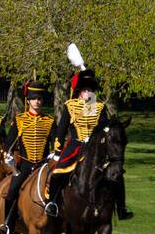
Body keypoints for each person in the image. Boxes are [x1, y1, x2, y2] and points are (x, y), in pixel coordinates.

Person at [53, 64, 132, 220]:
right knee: (57, 172)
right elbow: (61, 130)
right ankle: (53, 203)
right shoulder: (70, 106)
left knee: (117, 175)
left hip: (94, 148)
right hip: (76, 145)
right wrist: (57, 152)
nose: (88, 93)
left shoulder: (99, 106)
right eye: (84, 90)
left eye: (90, 90)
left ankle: (121, 208)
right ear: (79, 91)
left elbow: (103, 125)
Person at [0, 84, 57, 234]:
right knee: (11, 191)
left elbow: (56, 143)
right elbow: (8, 143)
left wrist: (53, 153)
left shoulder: (49, 121)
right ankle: (8, 224)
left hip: (43, 166)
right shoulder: (20, 120)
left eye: (39, 99)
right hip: (25, 165)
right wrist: (8, 157)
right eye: (34, 99)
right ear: (28, 101)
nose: (37, 102)